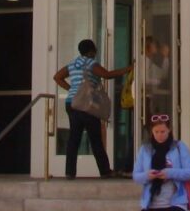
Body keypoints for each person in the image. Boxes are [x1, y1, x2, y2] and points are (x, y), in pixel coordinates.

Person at [53, 38, 132, 178]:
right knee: (95, 138)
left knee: (74, 139)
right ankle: (105, 171)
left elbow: (57, 77)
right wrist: (128, 69)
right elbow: (107, 75)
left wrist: (72, 89)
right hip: (86, 104)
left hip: (72, 103)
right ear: (92, 51)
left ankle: (70, 172)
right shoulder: (90, 63)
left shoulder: (73, 64)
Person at [132, 114, 190, 210]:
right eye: (156, 132)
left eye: (163, 131)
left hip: (176, 202)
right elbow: (136, 176)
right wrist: (148, 175)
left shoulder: (179, 147)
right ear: (152, 131)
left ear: (169, 130)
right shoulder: (145, 149)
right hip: (150, 203)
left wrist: (169, 173)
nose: (159, 135)